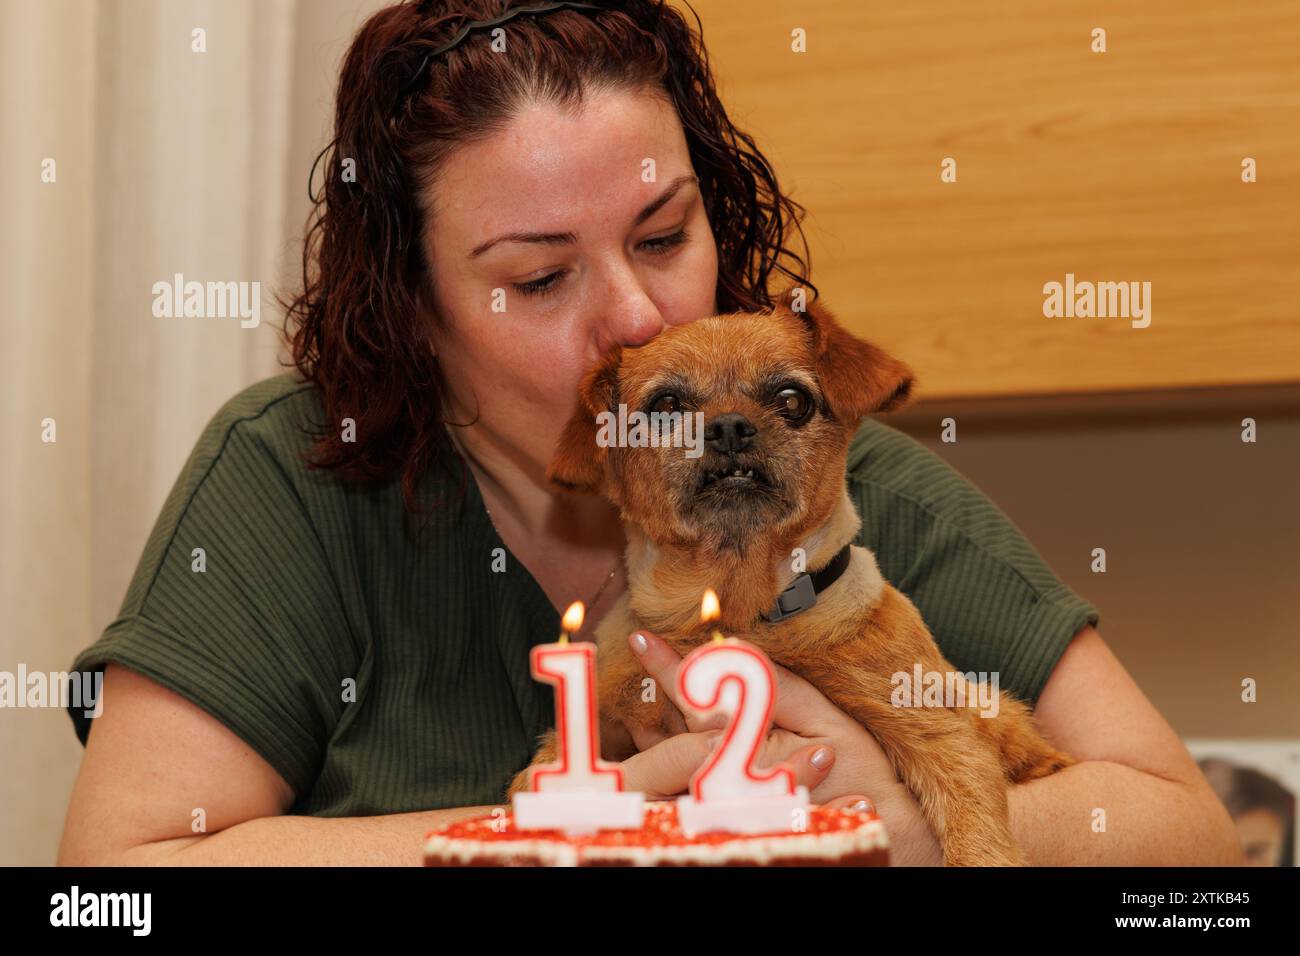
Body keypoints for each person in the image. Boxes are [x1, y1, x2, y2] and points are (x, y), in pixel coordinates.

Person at [57, 0, 1241, 866]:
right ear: (414, 313)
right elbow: (105, 891)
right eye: (538, 276)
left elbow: (1186, 834)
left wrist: (904, 819)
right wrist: (552, 840)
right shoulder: (299, 475)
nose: (634, 316)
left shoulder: (857, 487)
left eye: (664, 236)